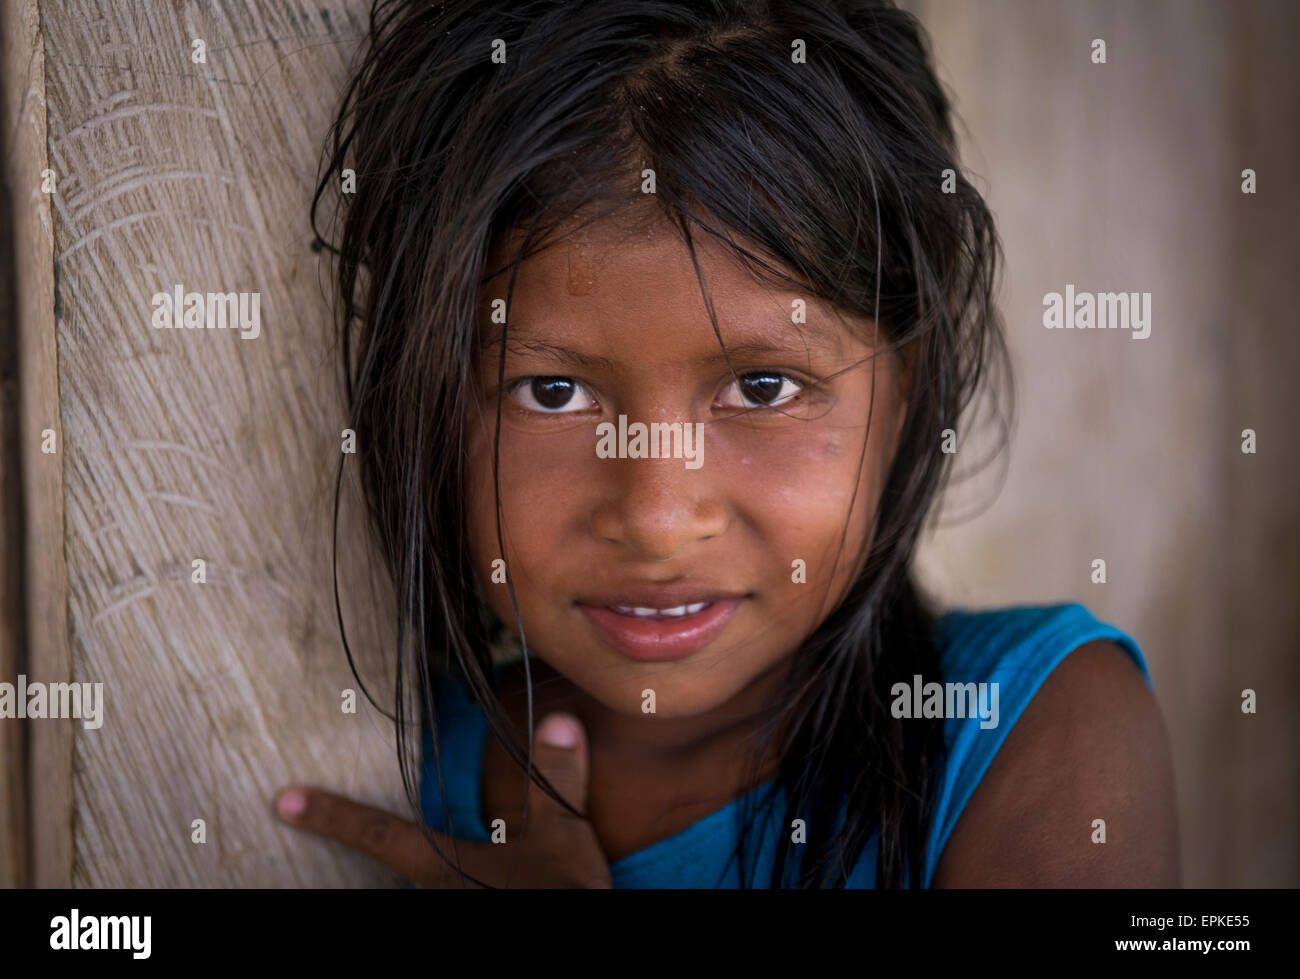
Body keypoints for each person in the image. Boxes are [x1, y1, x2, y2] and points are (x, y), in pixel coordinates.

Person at [274, 0, 1179, 887]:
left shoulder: (1030, 730)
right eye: (552, 391)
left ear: (907, 389)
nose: (660, 522)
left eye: (762, 387)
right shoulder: (393, 754)